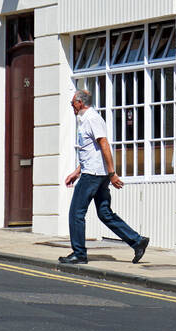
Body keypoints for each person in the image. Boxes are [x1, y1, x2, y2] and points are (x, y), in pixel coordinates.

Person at [60, 88, 149, 265]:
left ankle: (79, 253)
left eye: (73, 103)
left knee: (76, 213)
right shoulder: (85, 120)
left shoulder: (92, 119)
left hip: (94, 175)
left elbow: (104, 146)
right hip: (94, 173)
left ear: (80, 102)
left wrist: (112, 173)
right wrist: (76, 172)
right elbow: (91, 151)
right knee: (105, 213)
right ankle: (137, 241)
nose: (72, 107)